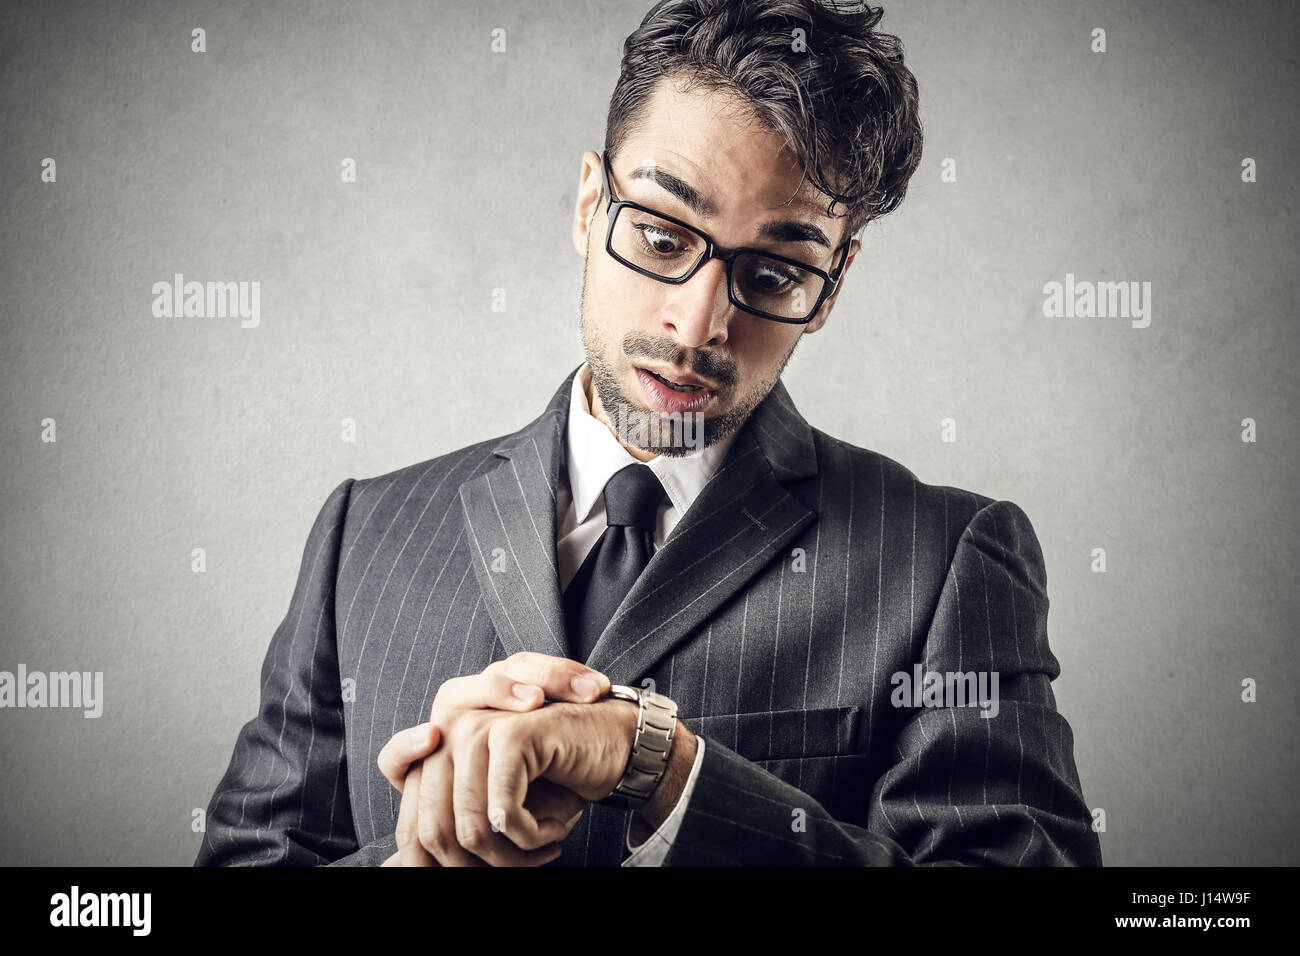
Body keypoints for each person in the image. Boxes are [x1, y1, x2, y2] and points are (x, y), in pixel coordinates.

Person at [196, 0, 1102, 867]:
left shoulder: (944, 560)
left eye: (777, 273)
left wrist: (663, 770)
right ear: (591, 205)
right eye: (665, 236)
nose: (698, 321)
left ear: (833, 283)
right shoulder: (366, 533)